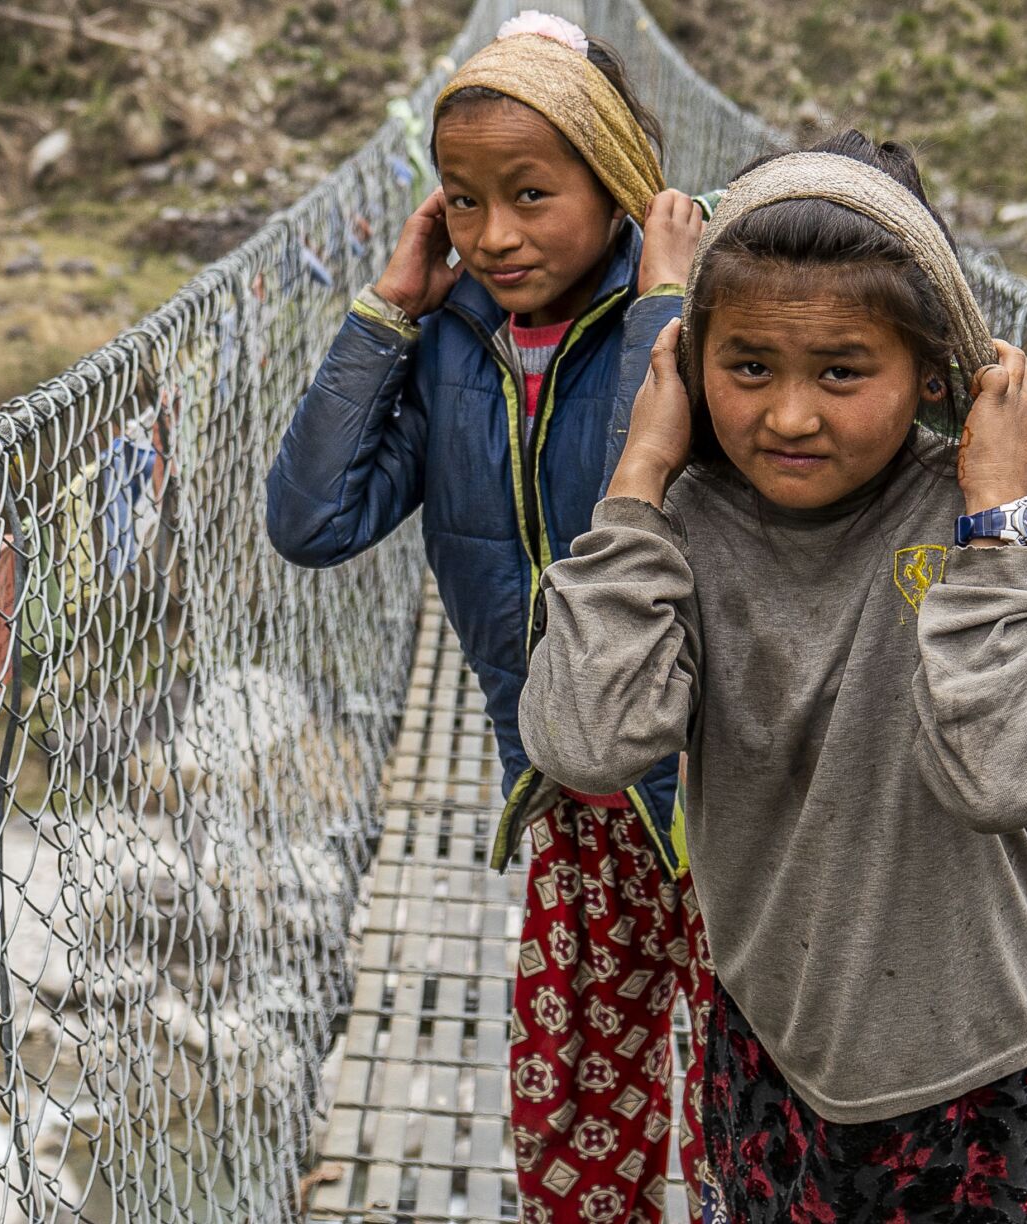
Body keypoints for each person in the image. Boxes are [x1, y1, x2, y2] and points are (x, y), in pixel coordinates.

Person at [519, 132, 1027, 1223]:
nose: (789, 415)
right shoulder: (684, 523)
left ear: (934, 372)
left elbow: (1002, 777)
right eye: (748, 367)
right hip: (773, 1041)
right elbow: (585, 741)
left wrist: (1000, 511)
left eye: (842, 372)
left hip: (984, 1062)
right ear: (688, 365)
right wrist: (639, 473)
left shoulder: (984, 517)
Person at [264, 12, 711, 1220]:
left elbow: (656, 490)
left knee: (748, 1103)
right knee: (572, 1109)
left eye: (529, 193)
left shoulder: (701, 316)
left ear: (616, 185)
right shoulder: (453, 345)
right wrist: (387, 313)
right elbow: (312, 521)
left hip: (724, 797)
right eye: (462, 200)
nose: (494, 235)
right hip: (566, 786)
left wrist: (664, 312)